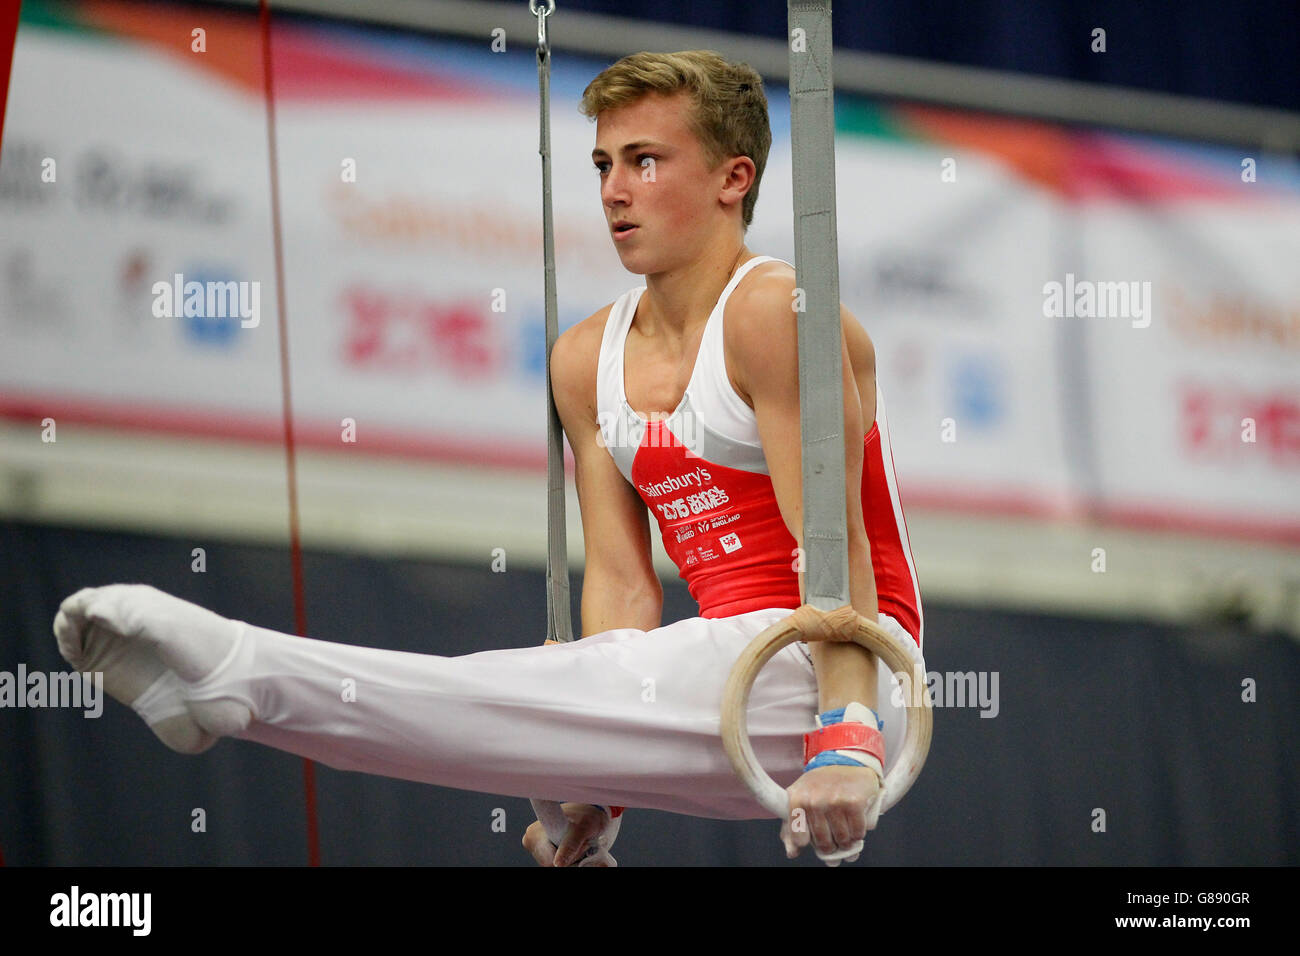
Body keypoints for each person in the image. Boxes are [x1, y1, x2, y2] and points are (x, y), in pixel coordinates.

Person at [53, 50, 923, 867]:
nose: (616, 191)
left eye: (646, 161)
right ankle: (235, 698)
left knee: (497, 695)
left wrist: (848, 731)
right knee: (514, 703)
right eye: (601, 165)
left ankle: (241, 674)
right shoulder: (585, 359)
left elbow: (834, 538)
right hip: (718, 679)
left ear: (735, 178)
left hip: (838, 661)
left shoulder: (775, 312)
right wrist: (597, 787)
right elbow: (623, 589)